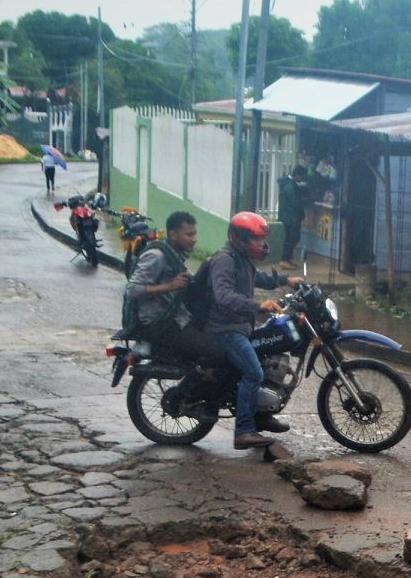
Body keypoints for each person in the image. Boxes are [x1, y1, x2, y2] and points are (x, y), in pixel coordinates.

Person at [205, 211, 302, 450]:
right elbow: (224, 295)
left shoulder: (242, 258)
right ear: (239, 237)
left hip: (240, 325)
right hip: (225, 328)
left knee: (271, 354)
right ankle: (244, 431)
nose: (261, 244)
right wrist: (259, 305)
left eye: (262, 238)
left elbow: (257, 278)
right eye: (256, 239)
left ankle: (261, 416)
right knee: (253, 374)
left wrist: (285, 280)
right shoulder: (225, 260)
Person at [125, 210, 225, 366]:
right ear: (173, 235)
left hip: (175, 317)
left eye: (195, 234)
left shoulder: (175, 254)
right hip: (160, 323)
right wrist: (170, 286)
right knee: (217, 350)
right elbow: (132, 289)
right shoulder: (157, 255)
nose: (194, 239)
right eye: (189, 235)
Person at [277, 164, 309, 269]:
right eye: (302, 177)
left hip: (287, 216)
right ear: (298, 175)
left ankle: (287, 259)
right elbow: (295, 203)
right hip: (291, 217)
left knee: (290, 238)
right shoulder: (290, 186)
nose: (302, 179)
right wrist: (305, 202)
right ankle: (284, 260)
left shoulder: (286, 183)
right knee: (293, 238)